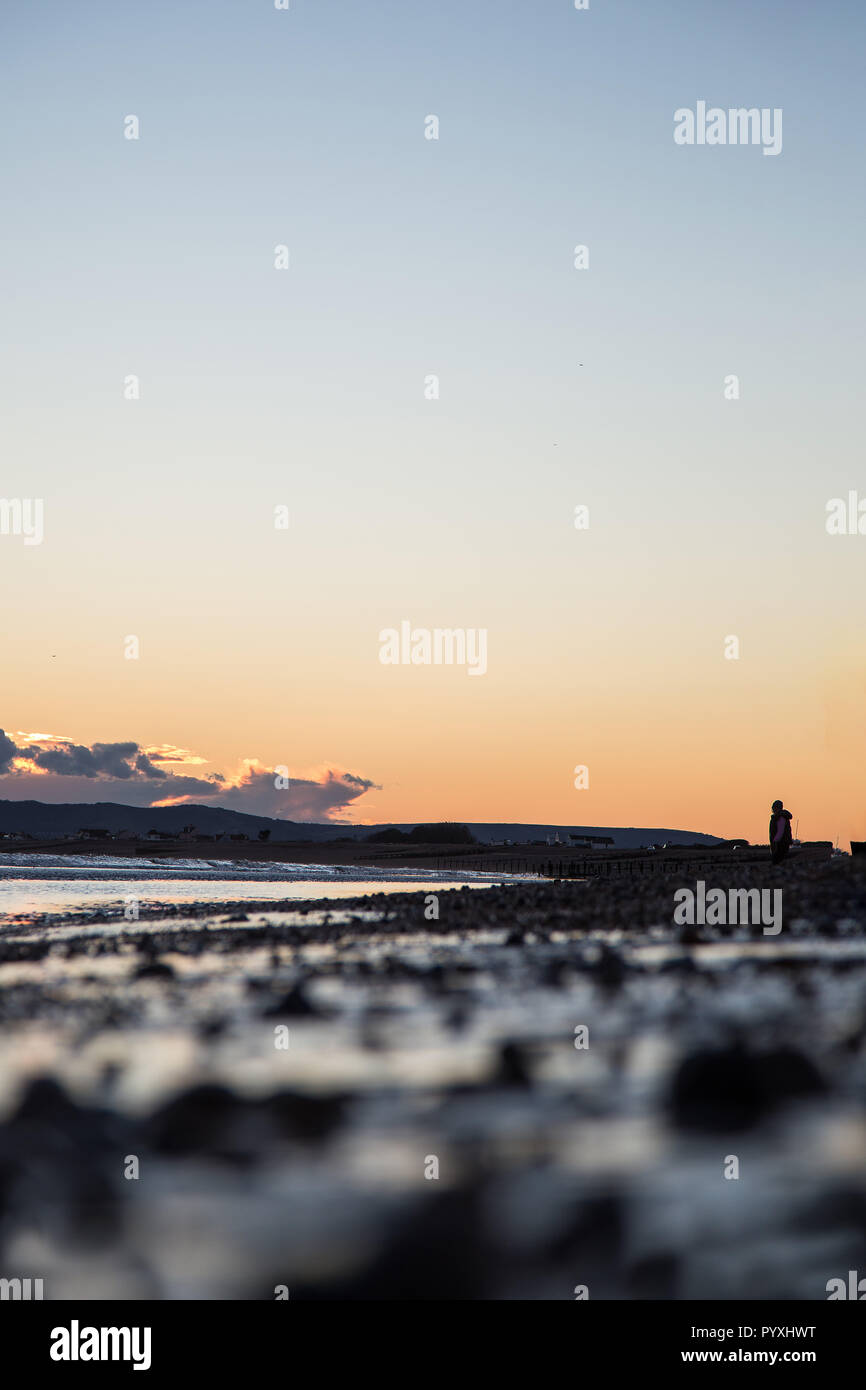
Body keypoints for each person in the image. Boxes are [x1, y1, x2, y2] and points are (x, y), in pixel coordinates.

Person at [769, 799, 793, 864]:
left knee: (777, 861)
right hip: (781, 843)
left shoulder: (780, 817)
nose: (772, 809)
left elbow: (780, 831)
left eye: (773, 807)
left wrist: (775, 842)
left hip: (780, 843)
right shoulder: (780, 817)